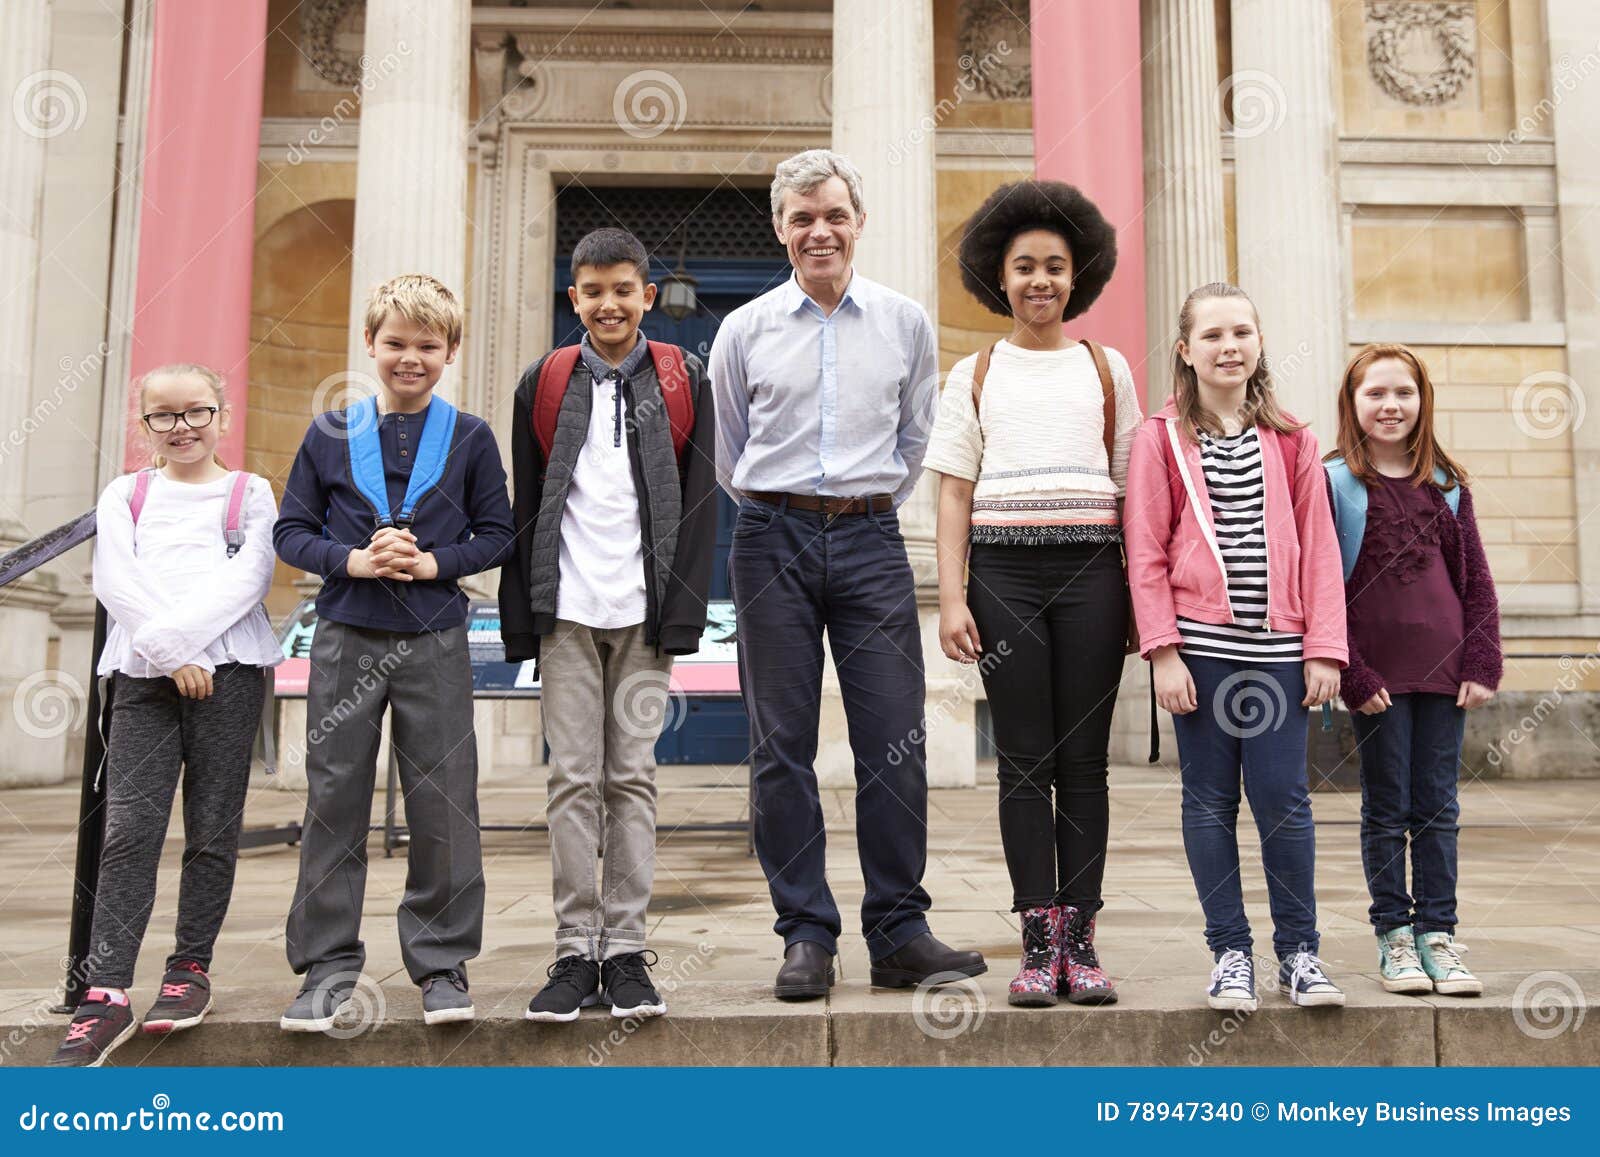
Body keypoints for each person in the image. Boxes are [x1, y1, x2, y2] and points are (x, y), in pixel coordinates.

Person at [710, 148, 985, 1000]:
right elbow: (728, 449)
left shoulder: (904, 322)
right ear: (780, 228)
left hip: (871, 543)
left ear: (858, 222)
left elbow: (917, 441)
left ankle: (899, 929)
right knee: (778, 748)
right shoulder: (743, 329)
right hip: (769, 539)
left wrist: (860, 507)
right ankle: (806, 933)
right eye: (802, 217)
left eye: (834, 214)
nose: (819, 230)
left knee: (894, 744)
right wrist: (788, 508)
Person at [274, 274, 513, 1031]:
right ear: (370, 345)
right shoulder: (330, 432)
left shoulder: (470, 436)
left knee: (444, 800)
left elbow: (499, 532)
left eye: (428, 346)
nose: (411, 358)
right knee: (334, 794)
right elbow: (290, 531)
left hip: (435, 633)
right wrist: (354, 560)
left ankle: (443, 961)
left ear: (450, 353)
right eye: (397, 344)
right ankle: (326, 962)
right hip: (346, 630)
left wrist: (434, 563)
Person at [925, 179, 1140, 1007]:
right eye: (1024, 267)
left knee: (1084, 763)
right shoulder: (974, 373)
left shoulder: (1105, 368)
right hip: (1005, 579)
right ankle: (1036, 938)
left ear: (1075, 275)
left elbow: (1132, 490)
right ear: (999, 277)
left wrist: (1139, 602)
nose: (1040, 280)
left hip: (1092, 577)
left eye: (1055, 266)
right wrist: (953, 598)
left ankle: (1082, 937)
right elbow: (952, 493)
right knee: (1023, 762)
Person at [499, 227, 717, 1022]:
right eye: (592, 291)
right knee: (570, 781)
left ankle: (624, 950)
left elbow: (701, 505)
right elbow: (526, 509)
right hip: (566, 614)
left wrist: (682, 614)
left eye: (624, 289)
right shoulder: (544, 381)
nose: (609, 303)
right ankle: (570, 949)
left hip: (644, 616)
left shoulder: (683, 376)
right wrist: (521, 618)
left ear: (647, 296)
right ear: (574, 298)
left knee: (631, 778)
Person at [1124, 282, 1347, 1011]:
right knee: (1209, 801)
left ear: (1258, 344)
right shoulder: (1160, 440)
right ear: (1186, 350)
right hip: (1201, 654)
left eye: (1242, 332)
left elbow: (1319, 550)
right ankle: (1230, 952)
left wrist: (1323, 647)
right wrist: (1162, 650)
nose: (1230, 346)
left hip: (1280, 655)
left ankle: (1300, 953)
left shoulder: (1293, 441)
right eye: (1213, 335)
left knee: (1284, 800)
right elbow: (1145, 551)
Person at [49, 364, 279, 1066]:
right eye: (164, 416)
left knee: (213, 825)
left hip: (229, 673)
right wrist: (173, 650)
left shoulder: (250, 492)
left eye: (196, 412)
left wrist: (193, 649)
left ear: (223, 414)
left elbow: (250, 577)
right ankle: (106, 989)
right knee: (130, 828)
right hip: (145, 678)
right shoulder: (128, 494)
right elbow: (116, 578)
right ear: (144, 423)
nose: (182, 427)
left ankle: (189, 968)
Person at [1326, 343, 1499, 997]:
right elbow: (1322, 586)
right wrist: (1353, 671)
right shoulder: (1336, 481)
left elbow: (1476, 582)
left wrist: (1483, 659)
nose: (1390, 405)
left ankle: (1438, 933)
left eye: (1403, 392)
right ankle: (1393, 935)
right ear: (1354, 403)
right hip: (1378, 682)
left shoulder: (1448, 486)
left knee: (1438, 807)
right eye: (1375, 393)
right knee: (1386, 806)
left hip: (1446, 673)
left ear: (1423, 400)